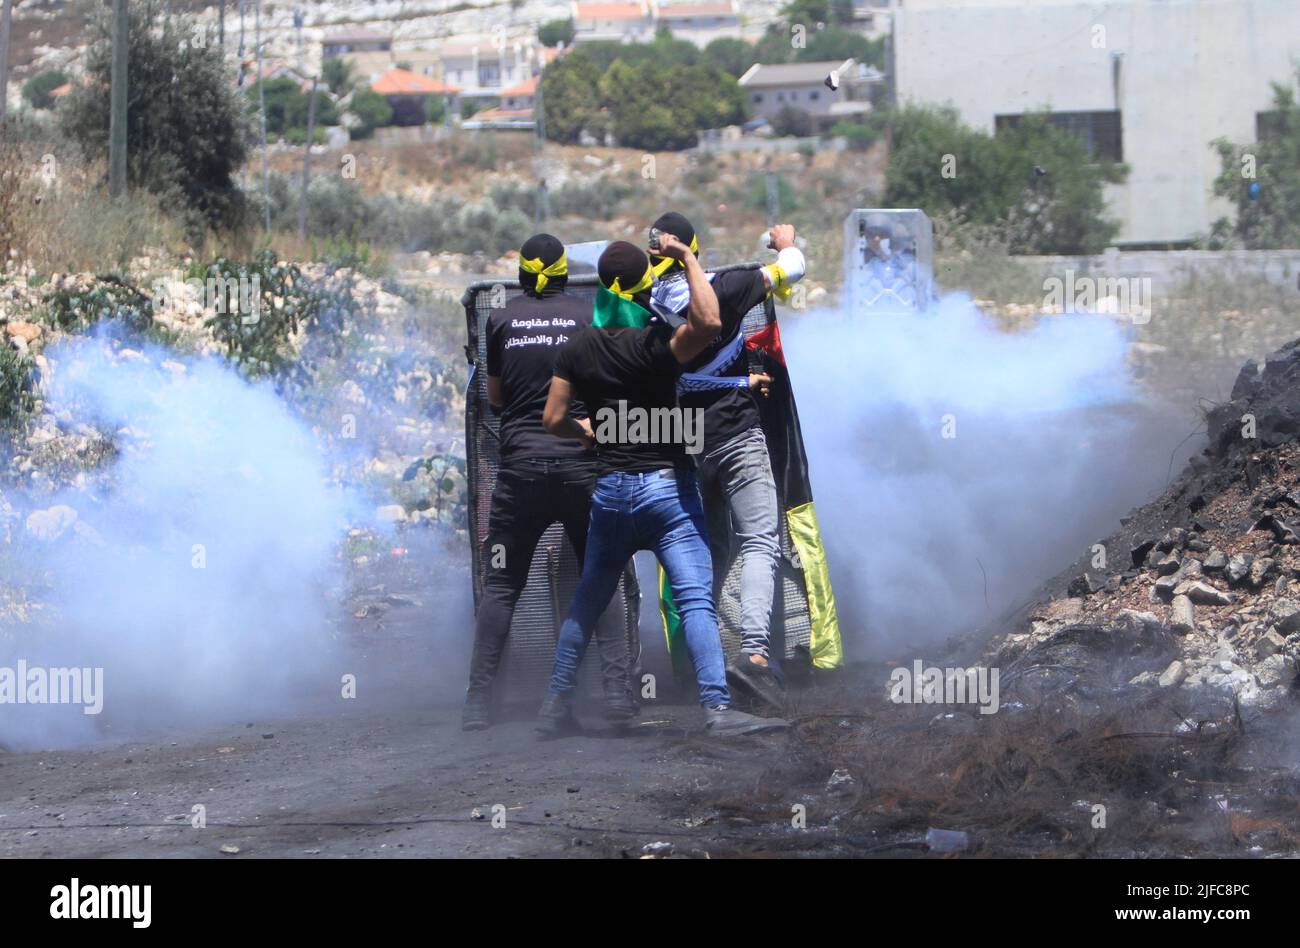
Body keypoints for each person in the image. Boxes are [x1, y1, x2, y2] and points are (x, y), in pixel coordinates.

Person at [537, 237, 788, 738]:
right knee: (695, 598)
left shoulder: (579, 345)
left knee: (589, 599)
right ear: (643, 284)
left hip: (610, 491)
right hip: (667, 492)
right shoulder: (657, 343)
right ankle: (717, 710)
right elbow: (711, 323)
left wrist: (587, 432)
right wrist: (690, 259)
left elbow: (553, 418)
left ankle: (554, 705)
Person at [463, 233, 636, 732]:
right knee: (600, 578)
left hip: (520, 472)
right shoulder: (587, 318)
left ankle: (477, 704)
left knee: (502, 587)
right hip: (582, 468)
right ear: (564, 272)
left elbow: (495, 399)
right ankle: (619, 695)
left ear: (521, 273)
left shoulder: (500, 319)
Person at [646, 212, 807, 711]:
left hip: (684, 443)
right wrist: (785, 243)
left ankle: (703, 668)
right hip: (736, 433)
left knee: (702, 553)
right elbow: (794, 269)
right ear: (693, 249)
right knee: (759, 538)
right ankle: (754, 654)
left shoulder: (641, 307)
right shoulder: (731, 286)